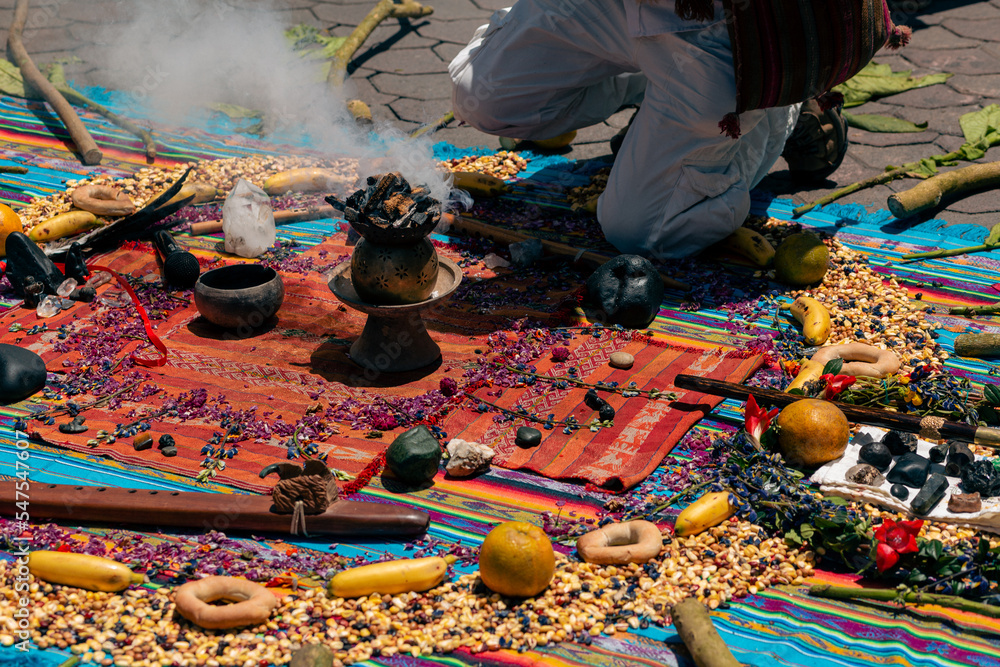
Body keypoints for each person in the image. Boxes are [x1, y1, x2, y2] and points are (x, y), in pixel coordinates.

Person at [449, 0, 906, 260]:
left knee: (644, 233)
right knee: (485, 98)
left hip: (726, 31)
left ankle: (780, 103)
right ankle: (660, 104)